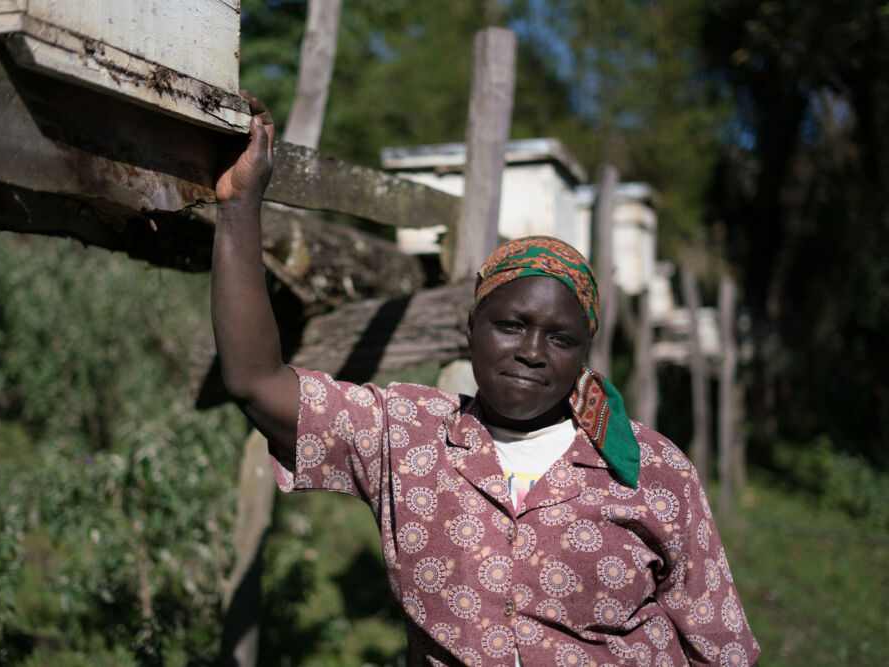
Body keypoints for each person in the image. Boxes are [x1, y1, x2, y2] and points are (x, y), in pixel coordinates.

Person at [212, 91, 761, 666]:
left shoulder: (656, 472)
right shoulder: (406, 437)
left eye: (561, 338)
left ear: (584, 356)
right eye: (511, 325)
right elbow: (253, 379)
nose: (532, 352)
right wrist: (239, 205)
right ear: (471, 328)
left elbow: (721, 650)